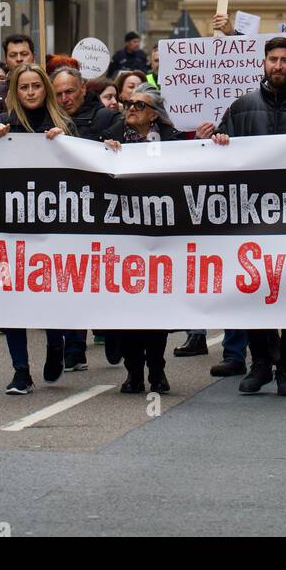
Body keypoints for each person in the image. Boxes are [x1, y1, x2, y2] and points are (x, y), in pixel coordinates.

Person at [211, 36, 286, 398]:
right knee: (253, 291)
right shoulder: (242, 107)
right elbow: (219, 155)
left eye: (285, 60)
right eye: (272, 59)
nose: (278, 66)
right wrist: (217, 142)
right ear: (263, 63)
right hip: (252, 219)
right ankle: (261, 363)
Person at [0, 65, 84, 391]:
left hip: (52, 228)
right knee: (11, 301)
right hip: (10, 227)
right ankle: (20, 370)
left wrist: (65, 144)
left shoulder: (63, 125)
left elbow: (82, 172)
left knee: (49, 297)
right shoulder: (1, 124)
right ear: (15, 91)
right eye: (24, 87)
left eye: (36, 87)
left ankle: (55, 342)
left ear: (45, 90)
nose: (30, 92)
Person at [103, 87, 183, 393]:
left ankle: (157, 369)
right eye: (128, 103)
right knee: (127, 310)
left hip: (161, 236)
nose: (131, 108)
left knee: (156, 310)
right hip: (124, 238)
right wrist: (104, 152)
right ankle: (133, 371)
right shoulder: (110, 139)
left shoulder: (174, 142)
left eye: (140, 104)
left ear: (154, 114)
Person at [0, 36, 37, 130]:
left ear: (33, 57)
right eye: (13, 55)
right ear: (5, 60)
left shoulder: (47, 86)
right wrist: (4, 105)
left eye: (24, 54)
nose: (19, 59)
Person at [51, 67, 116, 141]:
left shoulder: (108, 118)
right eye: (58, 94)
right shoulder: (49, 120)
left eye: (69, 91)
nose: (64, 99)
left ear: (83, 89)